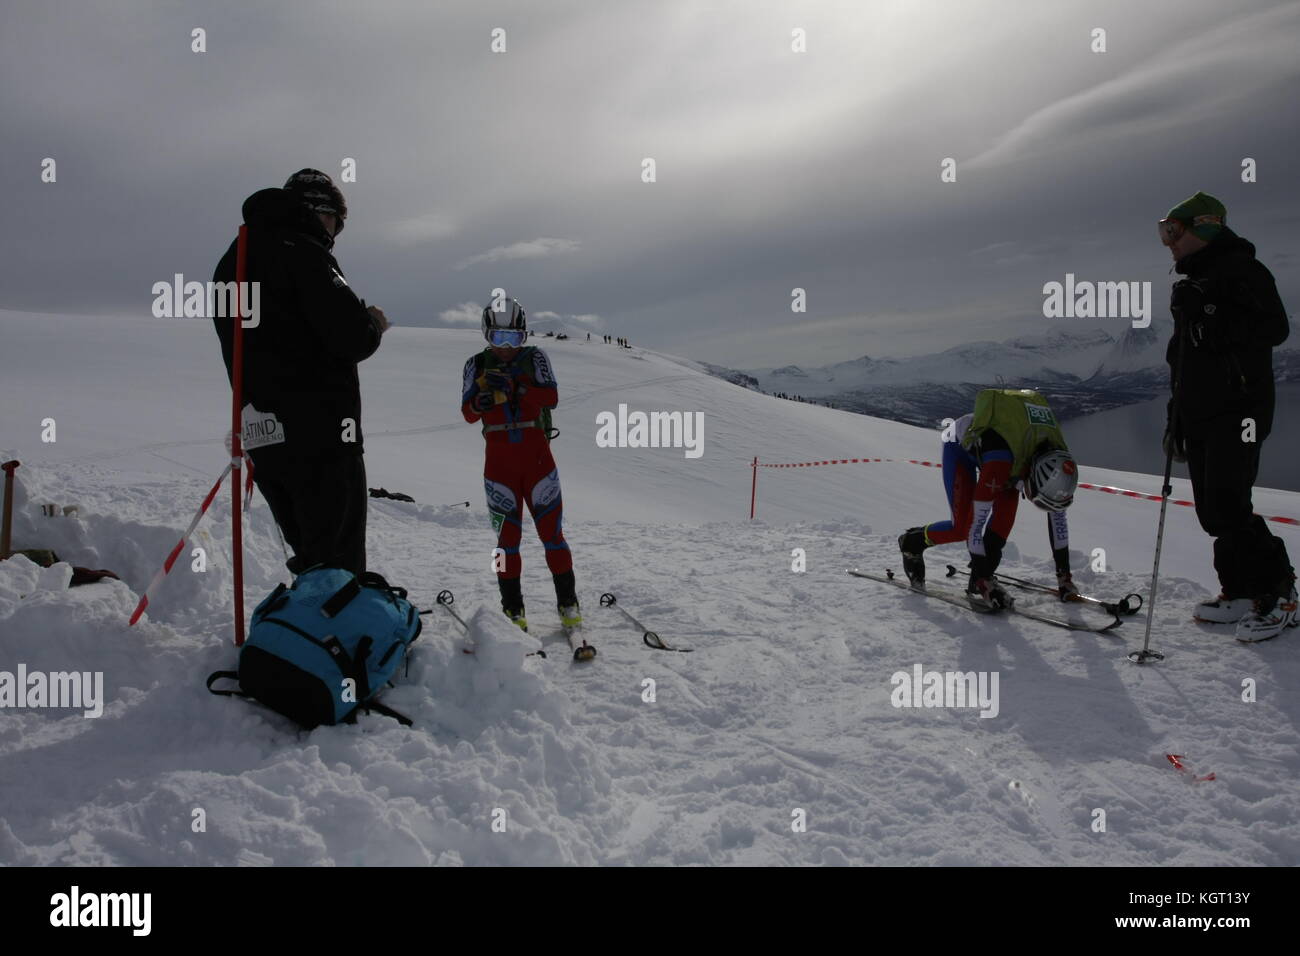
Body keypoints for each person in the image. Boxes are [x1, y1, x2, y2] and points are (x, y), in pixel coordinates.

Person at [213, 168, 389, 576]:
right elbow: (349, 337)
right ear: (318, 211)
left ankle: (310, 628)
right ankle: (336, 632)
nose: (334, 232)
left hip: (260, 424)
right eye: (335, 221)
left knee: (310, 548)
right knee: (336, 551)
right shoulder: (304, 251)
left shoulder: (237, 255)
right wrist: (371, 322)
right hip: (320, 429)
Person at [1158, 191, 1295, 639]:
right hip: (1199, 411)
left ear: (1204, 228)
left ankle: (1280, 593)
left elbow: (1275, 327)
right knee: (1213, 512)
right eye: (1165, 233)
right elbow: (1182, 358)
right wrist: (1175, 415)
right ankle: (1240, 590)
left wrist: (1212, 313)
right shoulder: (1191, 282)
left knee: (1231, 504)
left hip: (1239, 409)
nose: (1168, 243)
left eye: (1174, 232)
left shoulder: (1242, 270)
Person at [898, 388, 1079, 612]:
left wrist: (1065, 576)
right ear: (1030, 477)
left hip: (1013, 456)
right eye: (1038, 500)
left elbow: (1058, 520)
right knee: (962, 527)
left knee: (1003, 524)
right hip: (961, 447)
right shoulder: (1000, 465)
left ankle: (979, 576)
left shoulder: (1058, 468)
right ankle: (912, 542)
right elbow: (975, 529)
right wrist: (985, 580)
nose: (1040, 506)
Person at [461, 297, 580, 631]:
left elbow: (552, 397)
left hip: (537, 459)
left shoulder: (536, 357)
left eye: (515, 338)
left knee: (552, 535)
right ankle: (513, 610)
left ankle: (568, 603)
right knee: (506, 543)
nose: (508, 348)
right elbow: (468, 414)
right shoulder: (475, 365)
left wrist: (518, 386)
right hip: (499, 466)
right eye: (499, 339)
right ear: (487, 336)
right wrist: (481, 402)